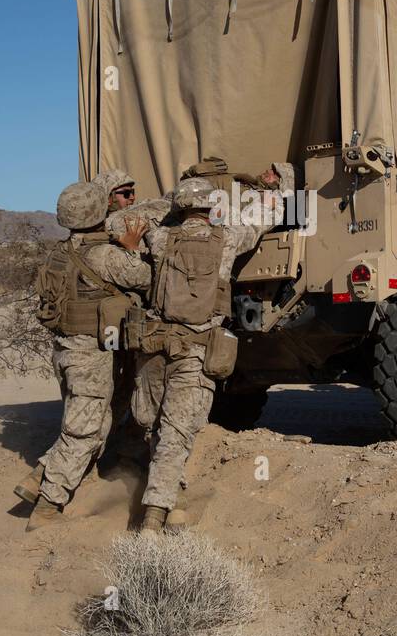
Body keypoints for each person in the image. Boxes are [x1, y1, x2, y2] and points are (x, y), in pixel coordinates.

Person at [130, 163, 293, 531]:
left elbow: (125, 222)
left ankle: (175, 499)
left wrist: (164, 204)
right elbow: (268, 214)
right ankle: (155, 516)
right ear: (211, 208)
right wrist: (279, 181)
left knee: (153, 425)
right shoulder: (228, 239)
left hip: (155, 347)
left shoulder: (158, 240)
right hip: (197, 349)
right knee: (177, 430)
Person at [16, 180, 149, 530]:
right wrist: (132, 248)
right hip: (91, 354)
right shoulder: (105, 255)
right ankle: (48, 503)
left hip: (65, 350)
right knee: (84, 431)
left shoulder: (58, 253)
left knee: (92, 419)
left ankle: (39, 475)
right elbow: (145, 278)